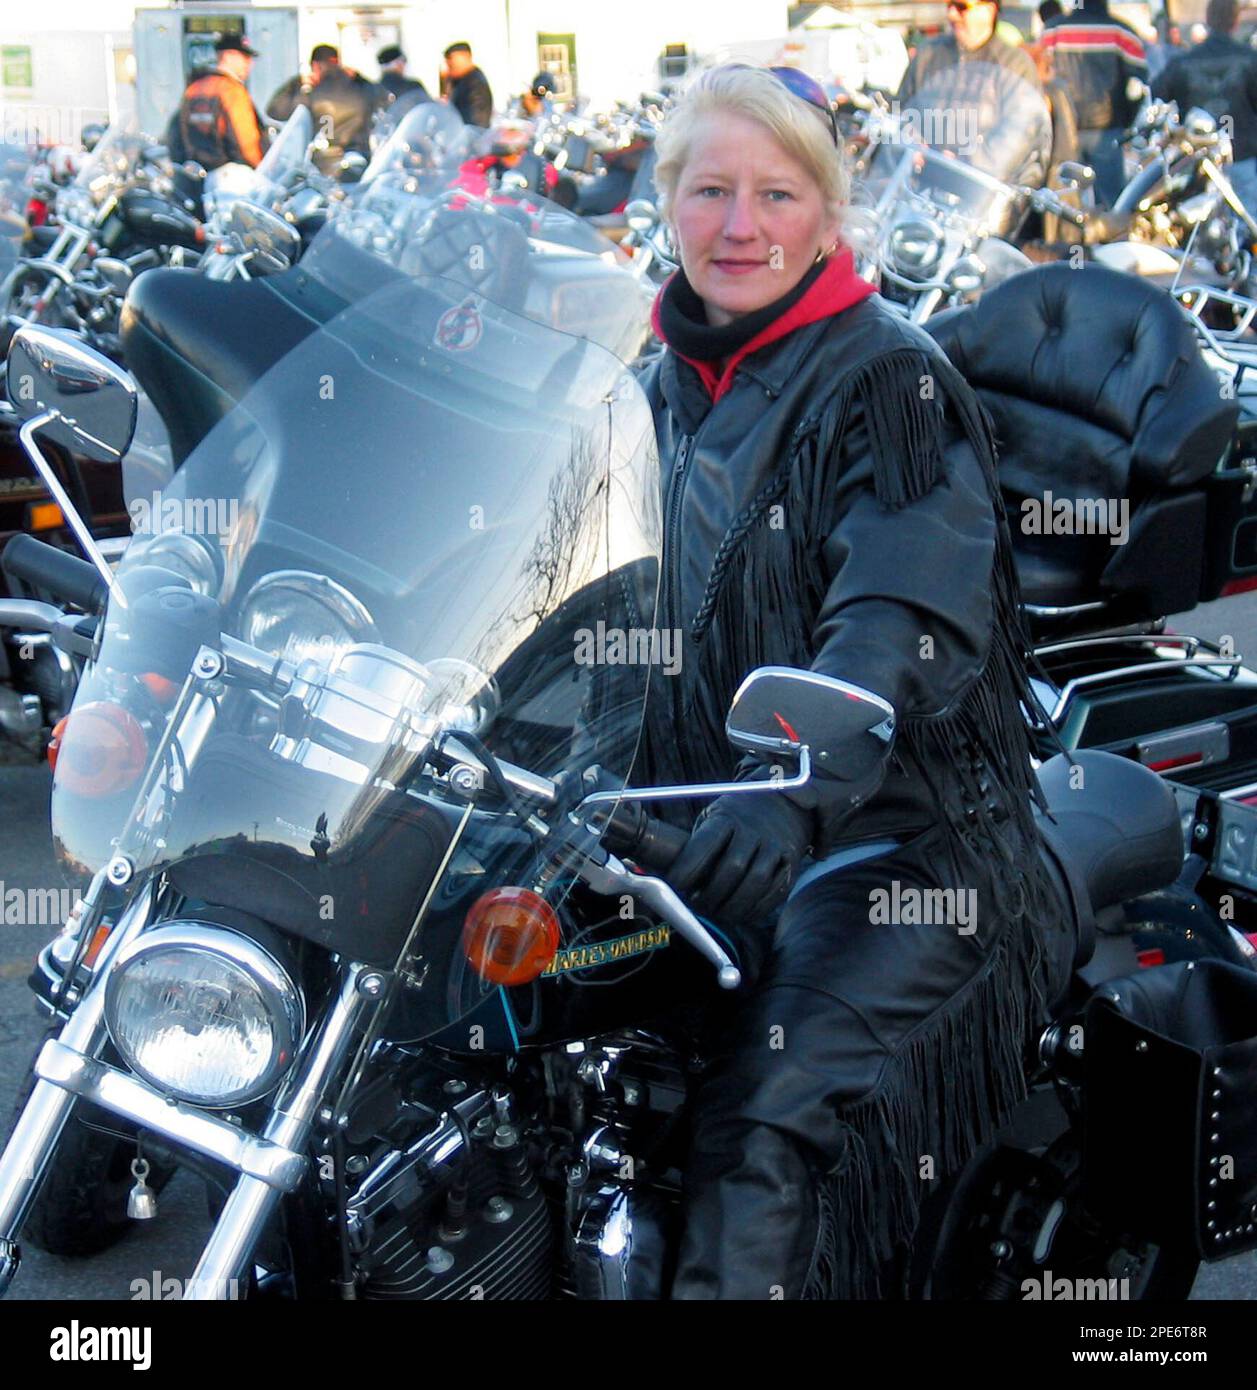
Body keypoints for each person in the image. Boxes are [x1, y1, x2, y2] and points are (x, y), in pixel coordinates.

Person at [632, 61, 1073, 1299]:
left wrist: (790, 784)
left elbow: (896, 620)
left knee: (761, 1115)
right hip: (694, 820)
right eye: (710, 189)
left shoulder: (891, 381)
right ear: (667, 203)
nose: (739, 226)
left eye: (777, 195)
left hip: (899, 841)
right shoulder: (646, 387)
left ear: (827, 216)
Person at [897, 0, 1050, 184]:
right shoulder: (927, 54)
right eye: (949, 6)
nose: (952, 14)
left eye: (961, 7)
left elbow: (1020, 134)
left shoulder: (1015, 66)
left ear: (988, 10)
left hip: (979, 195)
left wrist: (967, 161)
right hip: (918, 187)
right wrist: (910, 140)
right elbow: (901, 110)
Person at [1038, 0, 1148, 204]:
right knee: (1112, 205)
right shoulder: (1122, 32)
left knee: (1063, 203)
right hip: (1107, 130)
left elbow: (1039, 80)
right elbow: (1138, 86)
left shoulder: (1053, 30)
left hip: (1063, 132)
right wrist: (1126, 123)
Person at [1154, 0, 1257, 210]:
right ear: (1236, 21)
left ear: (1207, 21)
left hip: (1196, 163)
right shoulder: (1249, 59)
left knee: (1197, 226)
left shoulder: (1183, 62)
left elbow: (1155, 95)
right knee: (1249, 221)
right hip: (1242, 153)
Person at [166, 34, 267, 171]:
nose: (249, 64)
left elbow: (175, 135)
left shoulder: (194, 88)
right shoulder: (231, 91)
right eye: (245, 57)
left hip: (198, 175)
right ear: (228, 56)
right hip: (230, 175)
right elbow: (246, 141)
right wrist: (262, 169)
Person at [298, 45, 381, 176]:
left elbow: (277, 111)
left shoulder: (313, 92)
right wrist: (359, 77)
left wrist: (298, 83)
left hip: (325, 162)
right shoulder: (361, 86)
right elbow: (385, 99)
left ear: (316, 66)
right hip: (361, 157)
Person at [442, 42, 494, 128]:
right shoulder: (460, 80)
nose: (448, 66)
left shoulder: (475, 84)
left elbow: (477, 120)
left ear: (465, 57)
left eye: (451, 61)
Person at [377, 43, 431, 112]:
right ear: (398, 64)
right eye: (403, 61)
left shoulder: (375, 90)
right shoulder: (413, 87)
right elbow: (428, 109)